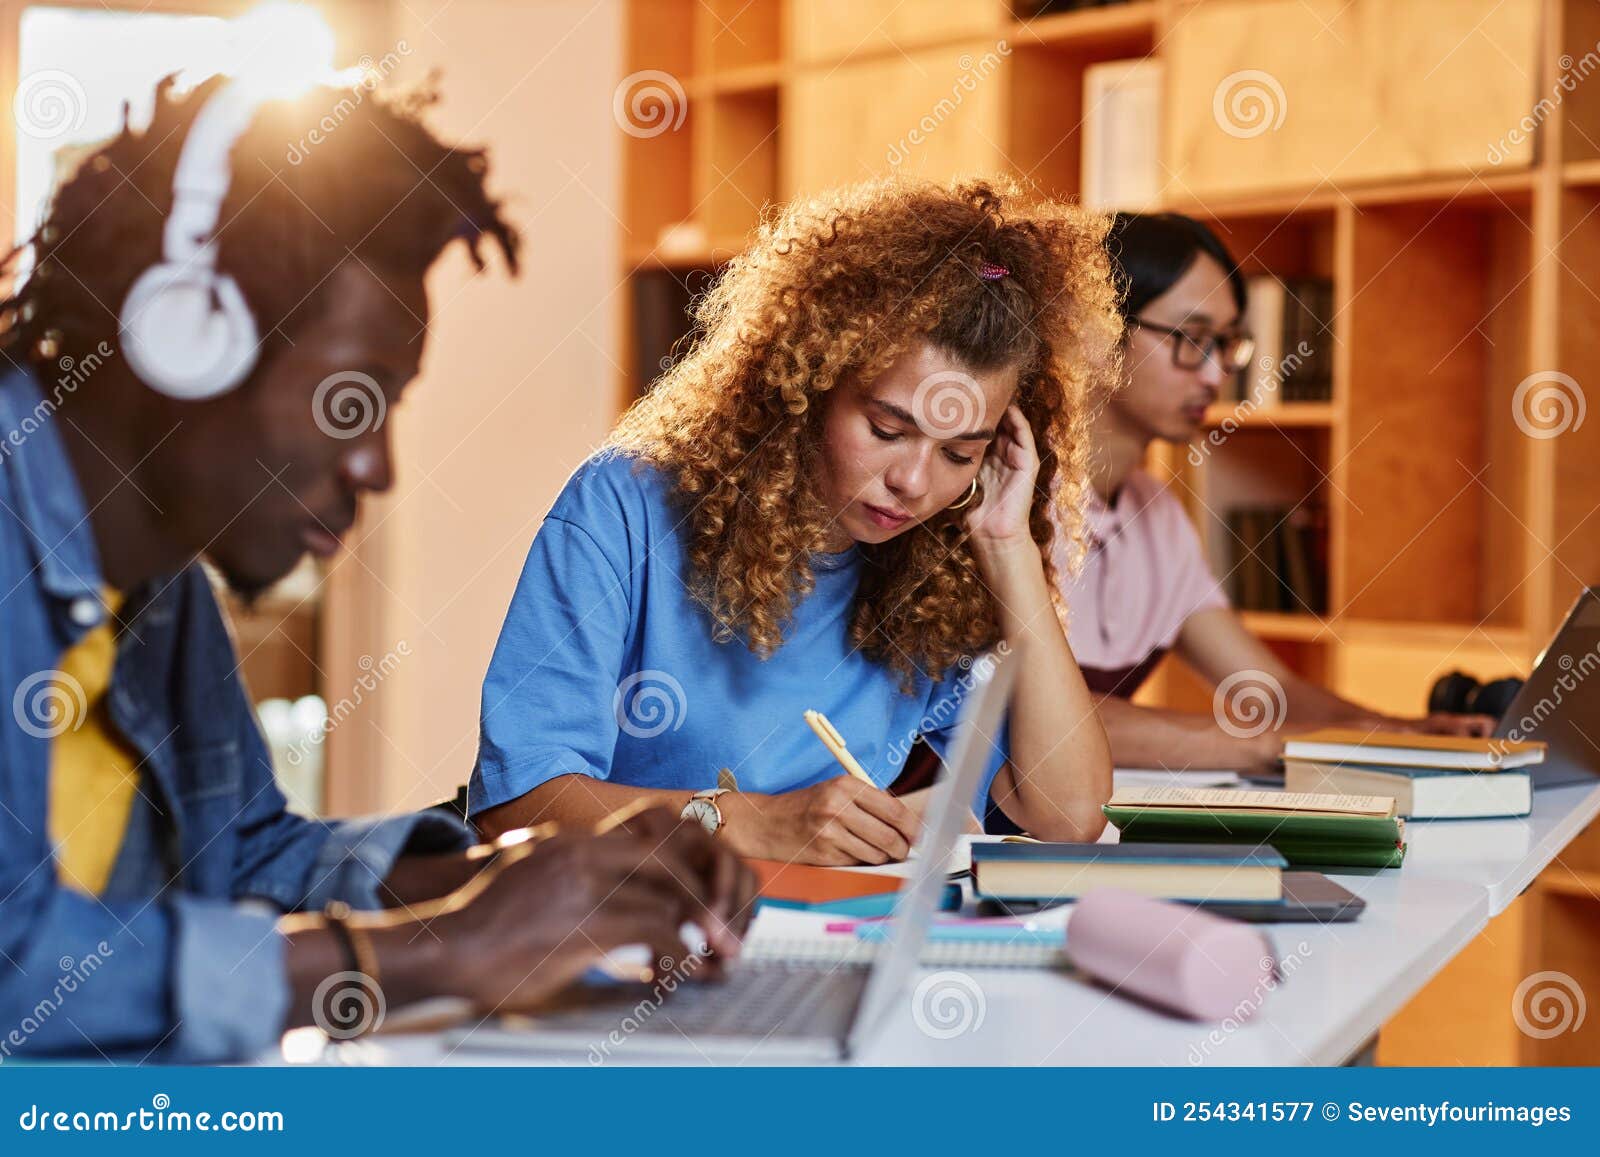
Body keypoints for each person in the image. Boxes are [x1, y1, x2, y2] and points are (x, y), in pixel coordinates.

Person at [0, 76, 751, 1064]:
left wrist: (526, 880)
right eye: (351, 396)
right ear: (187, 339)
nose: (376, 464)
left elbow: (246, 857)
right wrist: (437, 950)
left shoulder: (156, 585)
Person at [470, 179, 1120, 859]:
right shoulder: (624, 505)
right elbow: (517, 804)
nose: (914, 481)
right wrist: (747, 822)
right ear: (810, 384)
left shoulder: (935, 562)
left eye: (960, 452)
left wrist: (1007, 545)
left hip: (818, 925)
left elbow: (1068, 814)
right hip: (624, 925)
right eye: (886, 427)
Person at [1057, 212, 1492, 775]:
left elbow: (1265, 689)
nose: (1215, 375)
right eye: (1192, 339)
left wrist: (1400, 733)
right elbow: (1033, 721)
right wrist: (1271, 745)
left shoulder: (1154, 512)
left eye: (1227, 343)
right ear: (1096, 333)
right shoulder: (1006, 495)